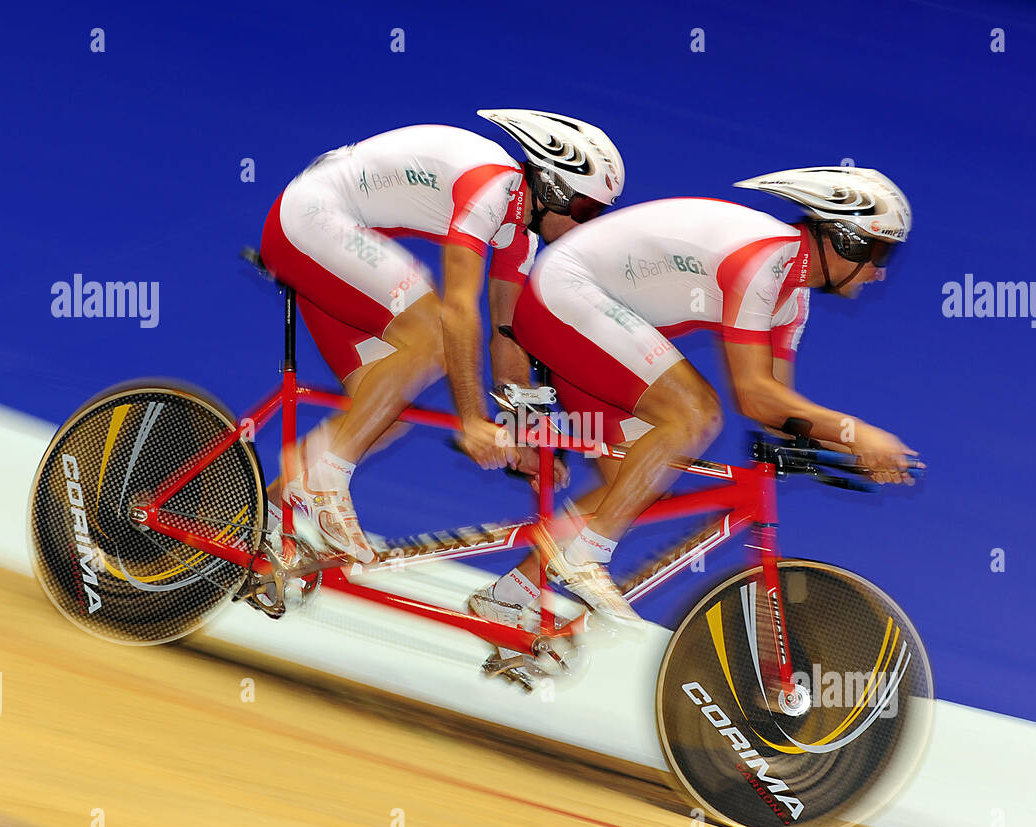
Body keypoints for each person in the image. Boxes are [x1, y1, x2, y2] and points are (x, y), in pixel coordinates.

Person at [469, 166, 918, 628]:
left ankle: (509, 596)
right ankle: (585, 558)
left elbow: (776, 406)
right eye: (878, 252)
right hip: (564, 297)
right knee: (696, 412)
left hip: (589, 319)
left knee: (636, 479)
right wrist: (859, 432)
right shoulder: (764, 260)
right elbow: (753, 396)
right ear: (845, 240)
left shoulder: (792, 300)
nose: (880, 273)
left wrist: (851, 449)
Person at [258, 110, 625, 562]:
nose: (589, 227)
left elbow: (505, 336)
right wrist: (472, 420)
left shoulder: (520, 237)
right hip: (312, 219)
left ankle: (267, 521)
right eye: (587, 211)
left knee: (386, 414)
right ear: (552, 187)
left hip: (328, 234)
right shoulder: (490, 187)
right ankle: (321, 479)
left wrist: (524, 432)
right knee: (432, 335)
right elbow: (457, 310)